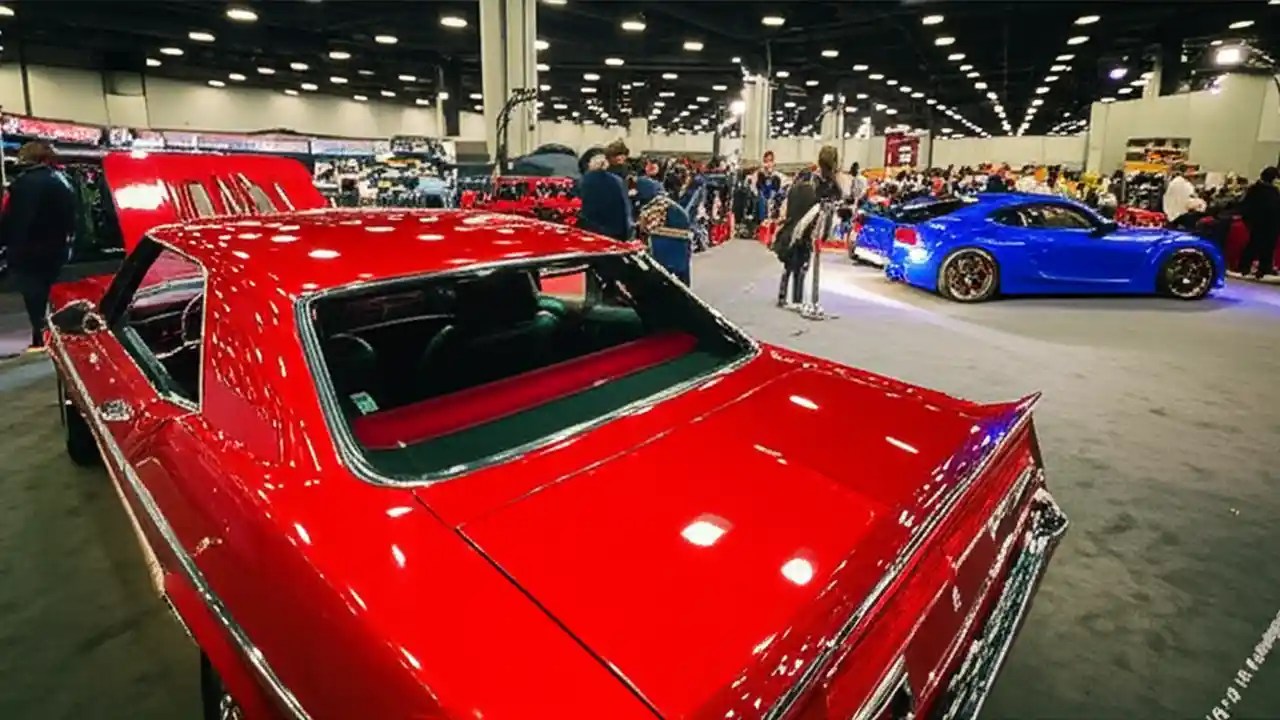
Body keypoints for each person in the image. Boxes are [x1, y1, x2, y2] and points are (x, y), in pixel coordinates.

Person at [0, 141, 77, 351]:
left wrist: (7, 246)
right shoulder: (64, 182)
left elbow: (14, 220)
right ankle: (54, 335)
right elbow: (72, 219)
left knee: (33, 297)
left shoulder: (22, 184)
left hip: (29, 251)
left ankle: (40, 337)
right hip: (57, 249)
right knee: (49, 293)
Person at [635, 177, 693, 284]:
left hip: (667, 243)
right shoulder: (666, 201)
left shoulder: (656, 205)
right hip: (682, 241)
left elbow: (649, 228)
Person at [576, 147, 632, 241]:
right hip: (615, 237)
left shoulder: (582, 182)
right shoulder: (617, 181)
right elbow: (626, 212)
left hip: (588, 236)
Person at [1238, 166, 1280, 278]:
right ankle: (1264, 269)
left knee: (1253, 245)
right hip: (1271, 223)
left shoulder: (1254, 189)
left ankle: (1244, 267)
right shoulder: (1273, 192)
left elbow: (1246, 205)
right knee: (1267, 247)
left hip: (1257, 222)